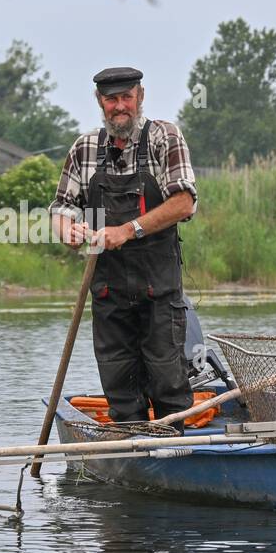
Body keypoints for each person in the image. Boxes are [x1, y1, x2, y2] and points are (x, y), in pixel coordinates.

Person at [49, 66, 198, 423]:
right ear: (100, 102)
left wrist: (127, 230)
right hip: (108, 296)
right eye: (111, 99)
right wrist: (67, 231)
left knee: (168, 387)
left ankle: (175, 456)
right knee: (121, 393)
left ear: (140, 97)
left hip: (159, 292)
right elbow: (60, 208)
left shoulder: (165, 138)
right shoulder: (84, 148)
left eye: (126, 97)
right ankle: (131, 458)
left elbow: (184, 203)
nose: (120, 107)